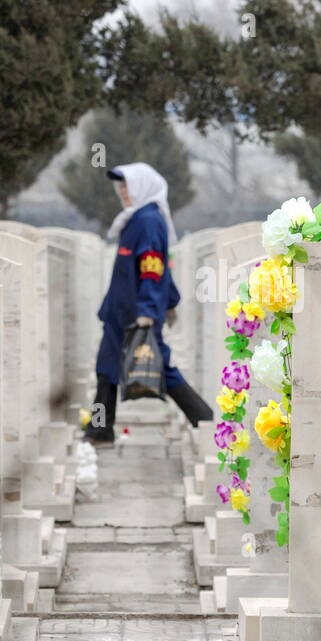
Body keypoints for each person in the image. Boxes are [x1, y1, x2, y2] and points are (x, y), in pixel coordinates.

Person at [85, 162, 213, 445]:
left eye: (127, 186)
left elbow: (153, 268)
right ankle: (100, 429)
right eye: (120, 187)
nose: (122, 192)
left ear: (143, 187)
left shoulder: (148, 220)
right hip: (119, 312)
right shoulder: (134, 219)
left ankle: (206, 422)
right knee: (106, 368)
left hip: (138, 313)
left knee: (160, 368)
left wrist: (148, 310)